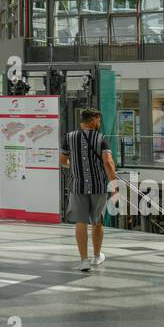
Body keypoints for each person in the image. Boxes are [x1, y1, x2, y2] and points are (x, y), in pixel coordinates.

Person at [61, 108, 118, 271]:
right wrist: (114, 184)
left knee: (80, 222)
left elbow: (63, 160)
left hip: (77, 186)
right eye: (98, 120)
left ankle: (84, 260)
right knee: (97, 221)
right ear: (93, 120)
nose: (99, 123)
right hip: (97, 186)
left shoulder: (69, 137)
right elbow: (108, 162)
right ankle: (96, 256)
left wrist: (75, 167)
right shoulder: (101, 139)